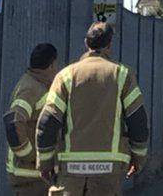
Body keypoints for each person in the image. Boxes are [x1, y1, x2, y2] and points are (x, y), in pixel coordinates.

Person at [37, 22, 149, 196]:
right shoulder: (122, 75)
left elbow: (47, 123)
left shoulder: (65, 76)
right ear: (109, 45)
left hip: (70, 171)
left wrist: (44, 164)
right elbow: (138, 122)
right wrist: (138, 158)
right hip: (108, 171)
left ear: (86, 43)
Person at [4, 43, 59, 196]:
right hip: (30, 176)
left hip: (35, 175)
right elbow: (14, 121)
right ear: (52, 65)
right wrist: (30, 156)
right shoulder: (31, 88)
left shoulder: (37, 85)